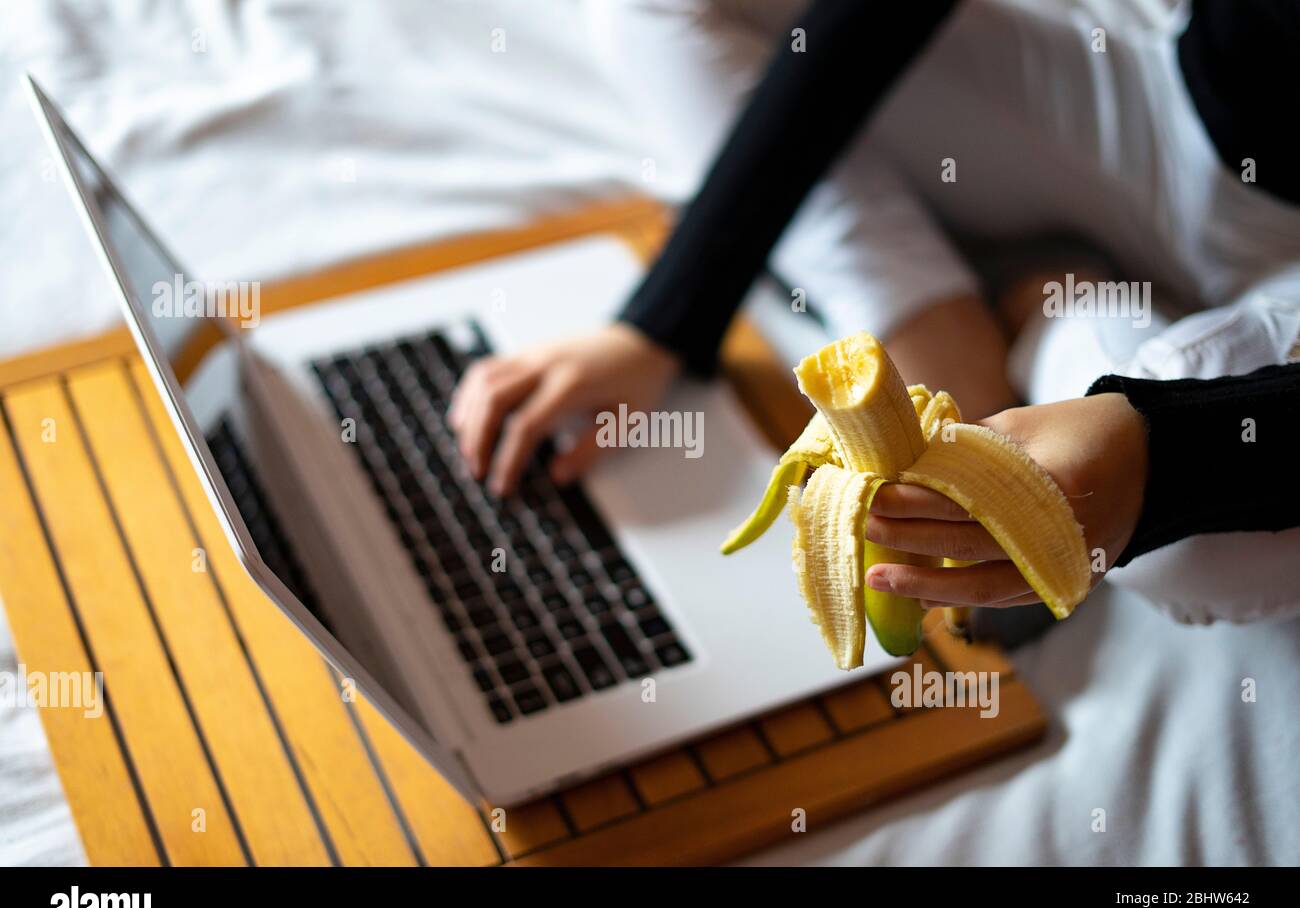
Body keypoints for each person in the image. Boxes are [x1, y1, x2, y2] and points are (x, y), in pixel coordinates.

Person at [449, 0, 1300, 619]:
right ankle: (930, 318)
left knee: (1188, 549)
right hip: (1176, 107)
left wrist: (1165, 456)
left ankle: (1051, 311)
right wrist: (668, 317)